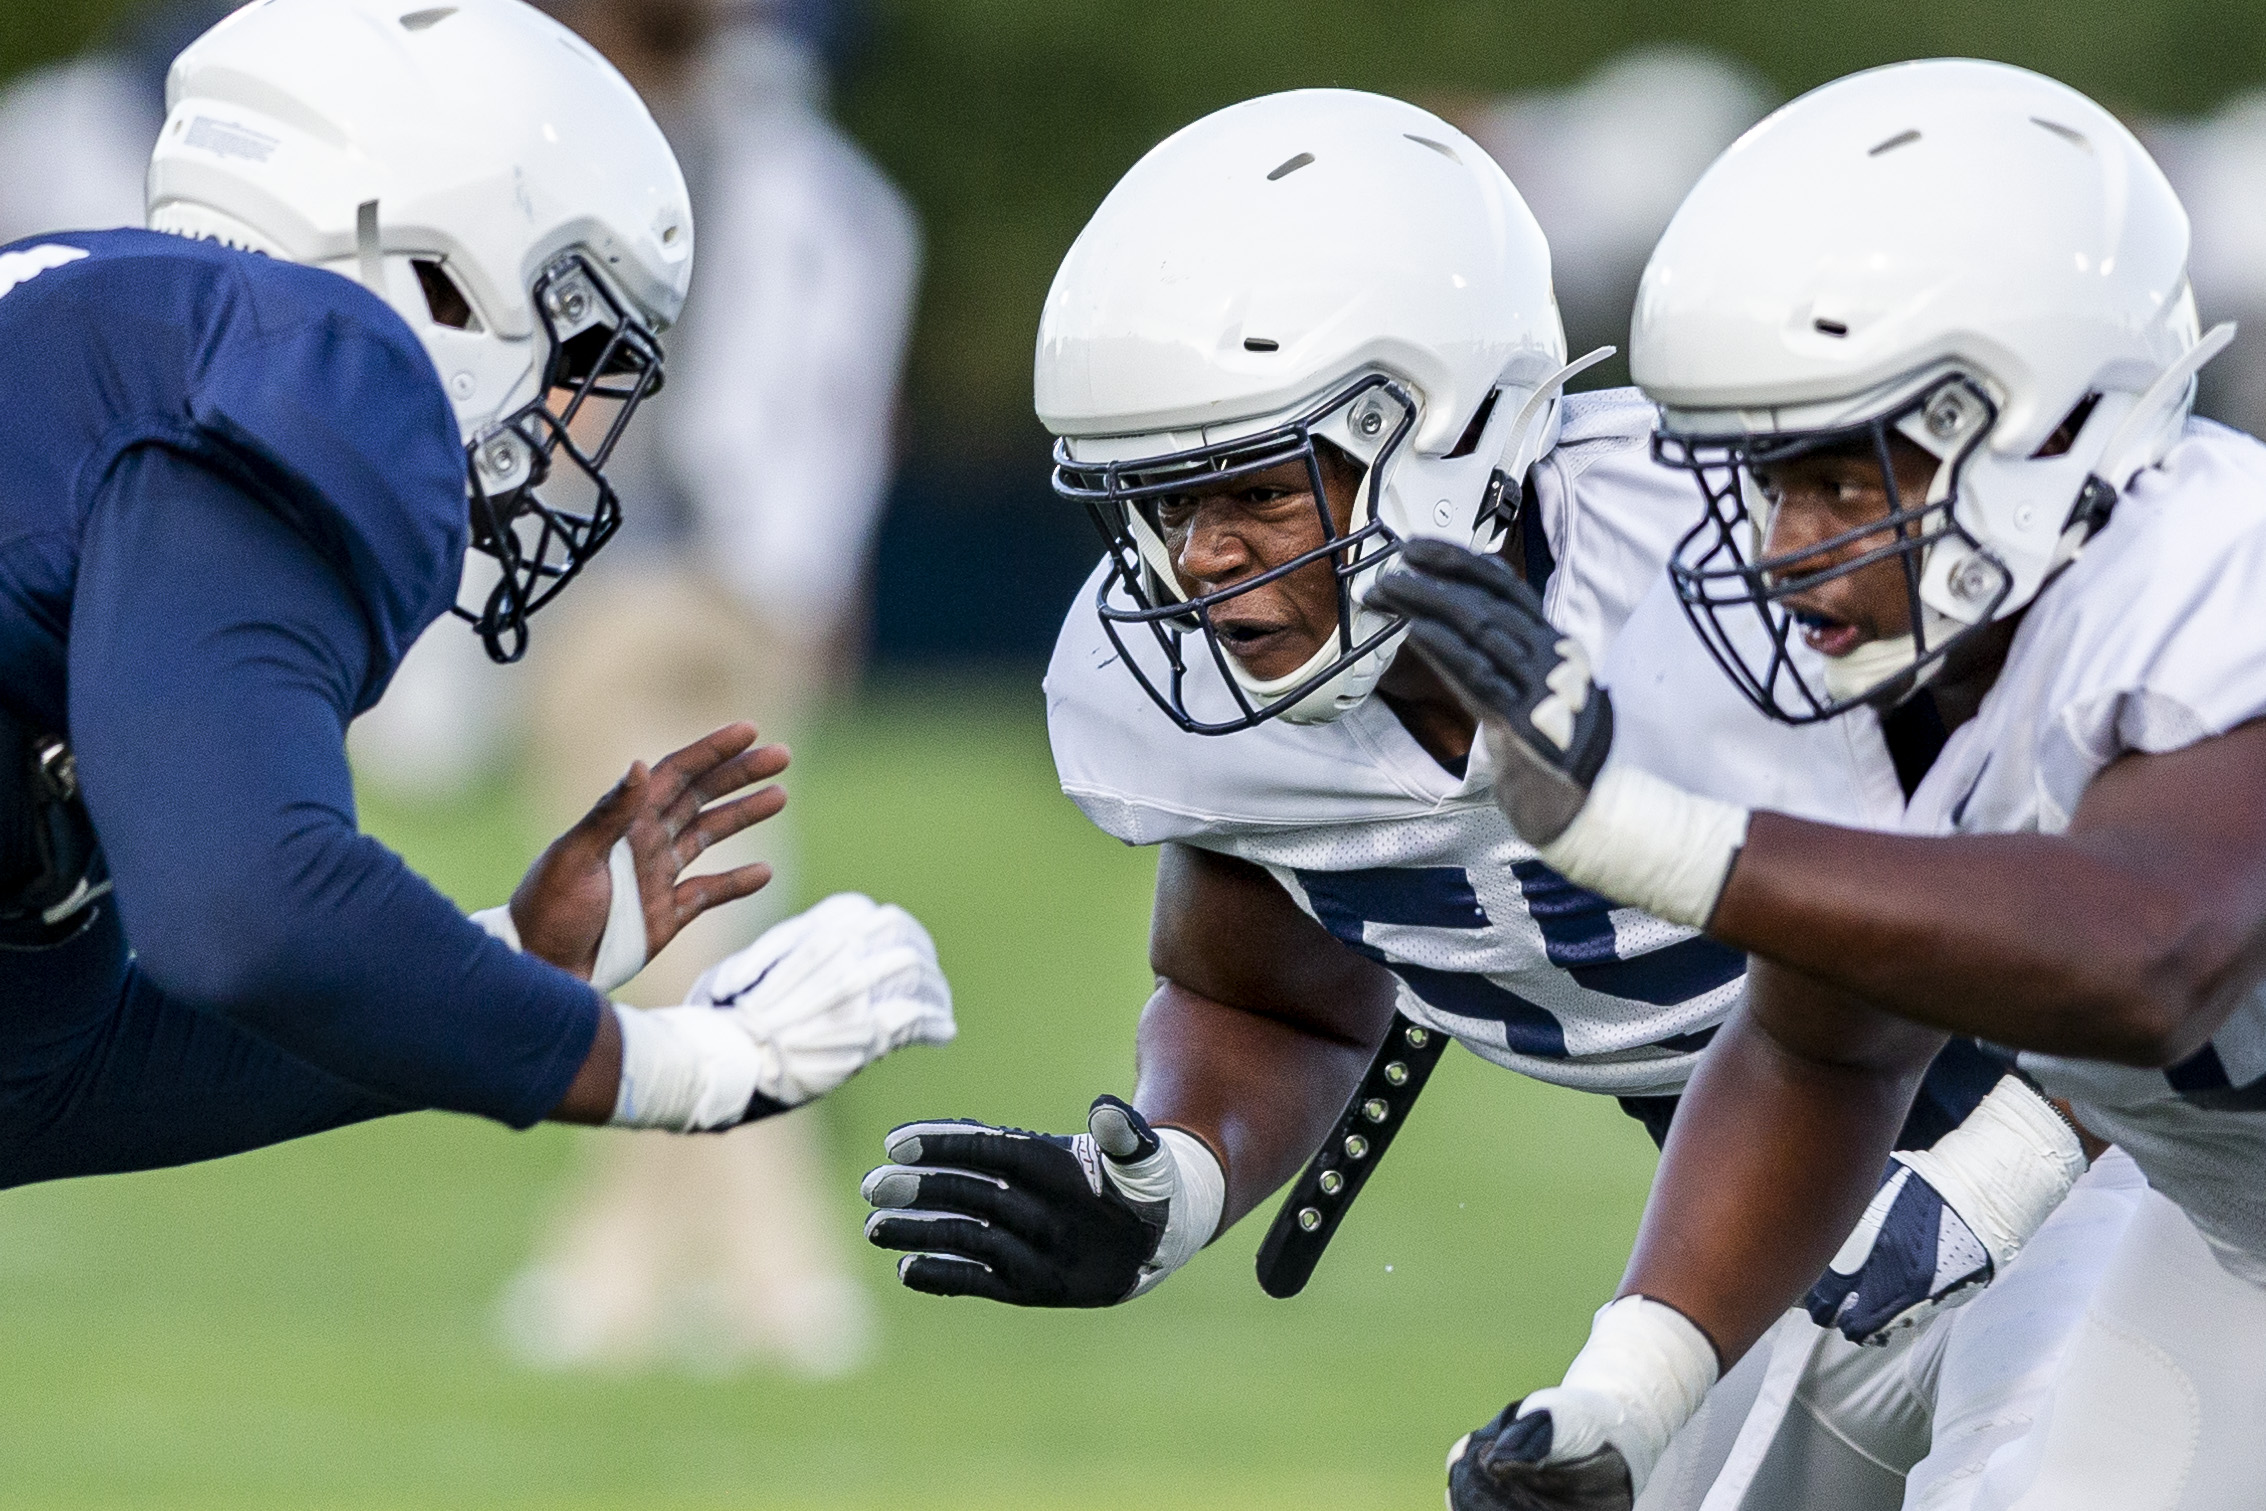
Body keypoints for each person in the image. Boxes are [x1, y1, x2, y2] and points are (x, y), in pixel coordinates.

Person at [856, 88, 2099, 1509]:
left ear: (1442, 434)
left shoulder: (1748, 545)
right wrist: (1178, 1180)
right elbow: (1276, 995)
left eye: (1253, 490)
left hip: (2118, 1136)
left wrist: (1996, 1176)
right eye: (1153, 502)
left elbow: (2157, 906)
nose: (1194, 561)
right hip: (1803, 1203)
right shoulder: (1172, 692)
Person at [1377, 59, 2266, 1511]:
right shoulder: (1937, 673)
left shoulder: (2211, 563)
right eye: (1769, 479)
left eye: (1845, 477)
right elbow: (1823, 1050)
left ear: (2042, 426)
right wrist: (1628, 1390)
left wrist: (1644, 835)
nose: (1787, 545)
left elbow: (2149, 947)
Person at [0, 0, 953, 1196]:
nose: (569, 425)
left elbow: (35, 1085)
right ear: (438, 273)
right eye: (576, 343)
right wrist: (698, 1062)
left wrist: (501, 961)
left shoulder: (104, 350)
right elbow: (247, 915)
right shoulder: (296, 369)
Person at [490, 0, 924, 1377]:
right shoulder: (851, 201)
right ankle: (626, 1272)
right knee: (690, 929)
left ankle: (779, 1277)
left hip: (665, 571)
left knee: (648, 931)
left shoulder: (677, 170)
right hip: (763, 577)